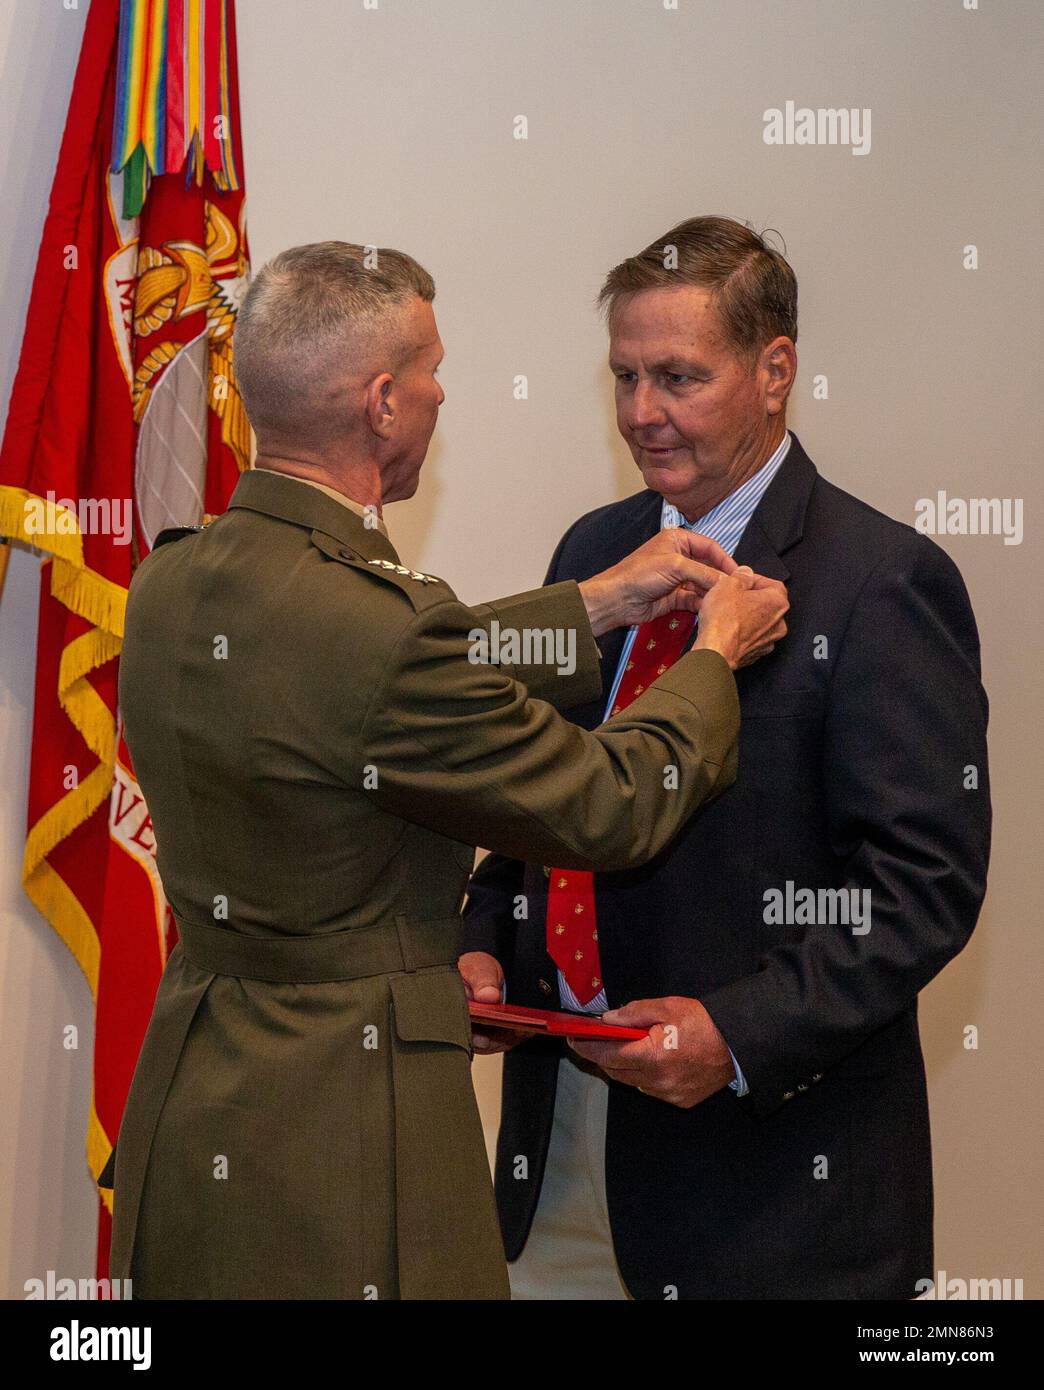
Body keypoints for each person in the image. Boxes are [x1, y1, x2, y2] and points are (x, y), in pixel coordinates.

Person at [99, 240, 788, 1299]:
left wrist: (595, 603)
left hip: (198, 1093)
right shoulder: (382, 630)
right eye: (431, 370)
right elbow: (608, 805)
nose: (441, 393)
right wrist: (713, 656)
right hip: (345, 1132)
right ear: (382, 404)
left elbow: (361, 682)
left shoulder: (173, 580)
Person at [461, 215, 991, 1300]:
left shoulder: (882, 579)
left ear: (775, 370)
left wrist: (738, 1036)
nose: (641, 412)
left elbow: (922, 887)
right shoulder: (594, 553)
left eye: (678, 377)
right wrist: (481, 944)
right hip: (553, 1159)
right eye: (624, 377)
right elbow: (542, 797)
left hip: (766, 1199)